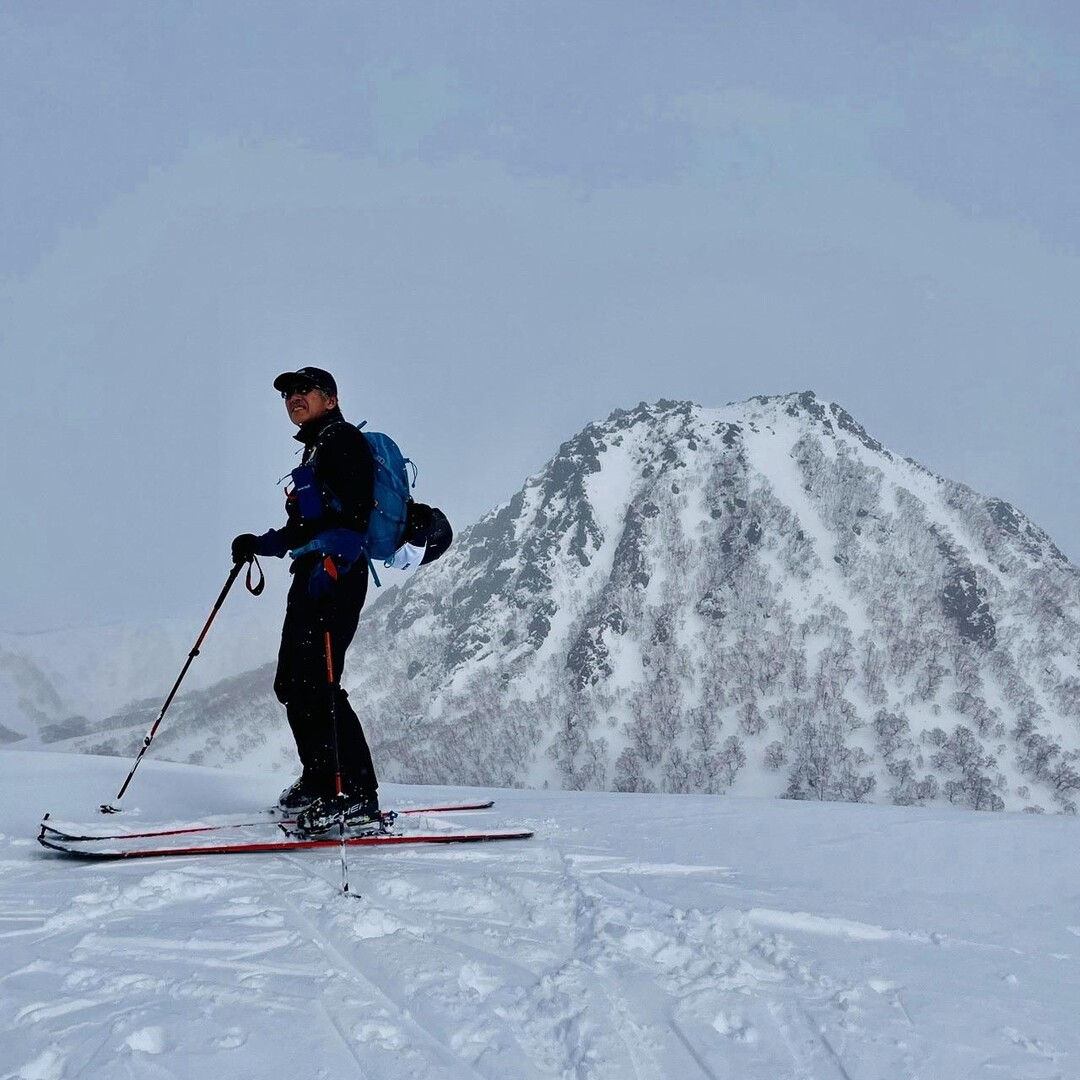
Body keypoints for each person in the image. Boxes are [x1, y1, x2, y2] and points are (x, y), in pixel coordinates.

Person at [231, 366, 381, 834]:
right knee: (293, 683)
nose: (293, 397)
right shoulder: (317, 451)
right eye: (288, 394)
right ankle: (319, 780)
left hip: (335, 576)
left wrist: (333, 564)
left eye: (304, 390)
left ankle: (358, 797)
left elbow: (357, 515)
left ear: (330, 399)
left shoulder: (344, 443)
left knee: (321, 681)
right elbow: (305, 527)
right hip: (311, 574)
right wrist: (261, 543)